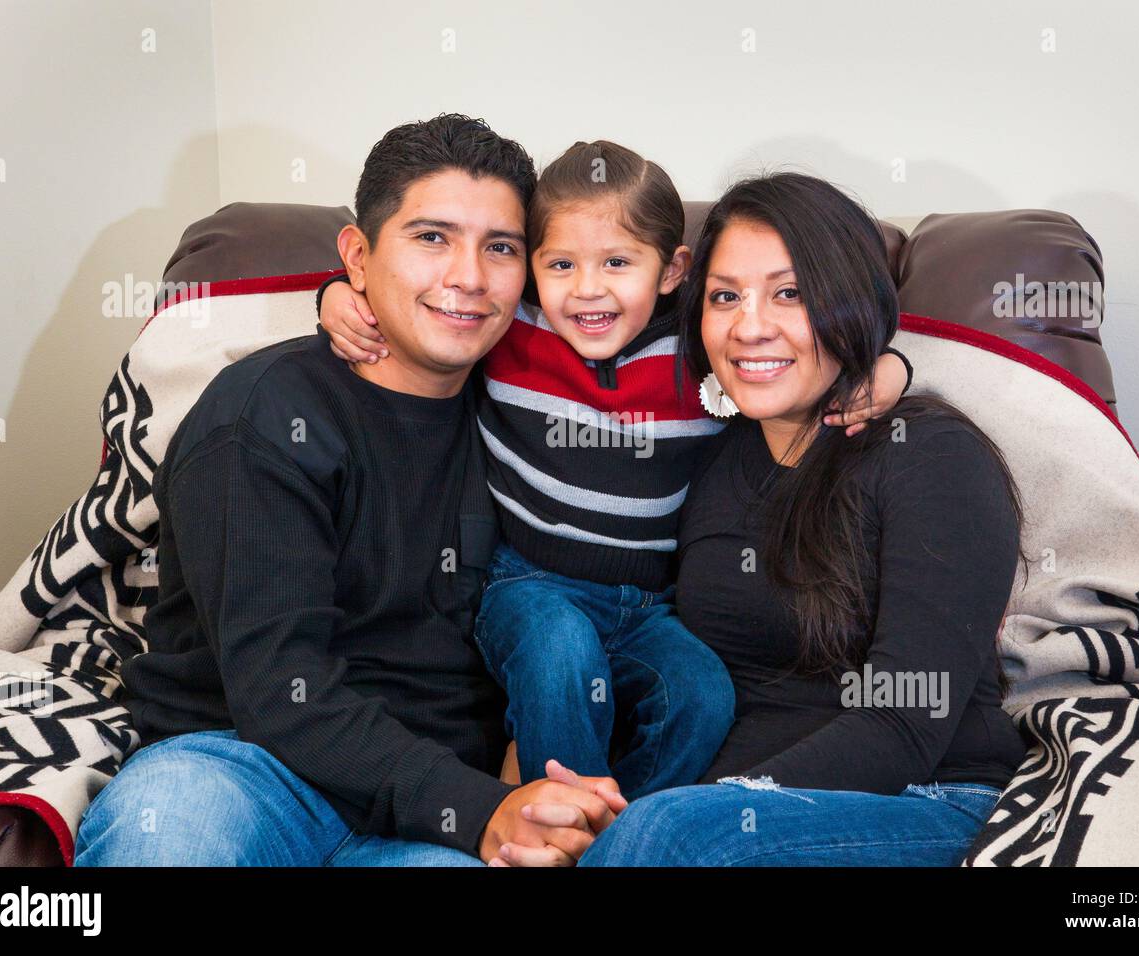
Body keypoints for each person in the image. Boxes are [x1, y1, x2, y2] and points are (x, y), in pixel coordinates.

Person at [73, 115, 626, 868]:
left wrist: (845, 382)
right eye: (432, 238)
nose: (468, 276)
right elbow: (280, 689)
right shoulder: (264, 416)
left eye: (499, 247)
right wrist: (482, 809)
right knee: (166, 833)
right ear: (358, 258)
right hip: (247, 769)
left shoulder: (528, 418)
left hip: (429, 808)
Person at [317, 142, 912, 798]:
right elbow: (432, 305)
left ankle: (622, 826)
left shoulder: (698, 352)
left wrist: (888, 368)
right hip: (529, 587)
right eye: (561, 264)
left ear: (670, 270)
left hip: (649, 605)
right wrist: (336, 293)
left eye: (618, 263)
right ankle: (562, 821)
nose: (588, 288)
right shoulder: (512, 332)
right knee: (561, 654)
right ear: (530, 270)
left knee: (702, 694)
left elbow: (802, 359)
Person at [570, 172, 1030, 866]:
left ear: (852, 301)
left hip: (923, 803)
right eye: (725, 296)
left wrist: (703, 806)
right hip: (710, 817)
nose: (750, 326)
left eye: (791, 293)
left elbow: (904, 724)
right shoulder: (710, 458)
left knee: (673, 837)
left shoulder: (932, 458)